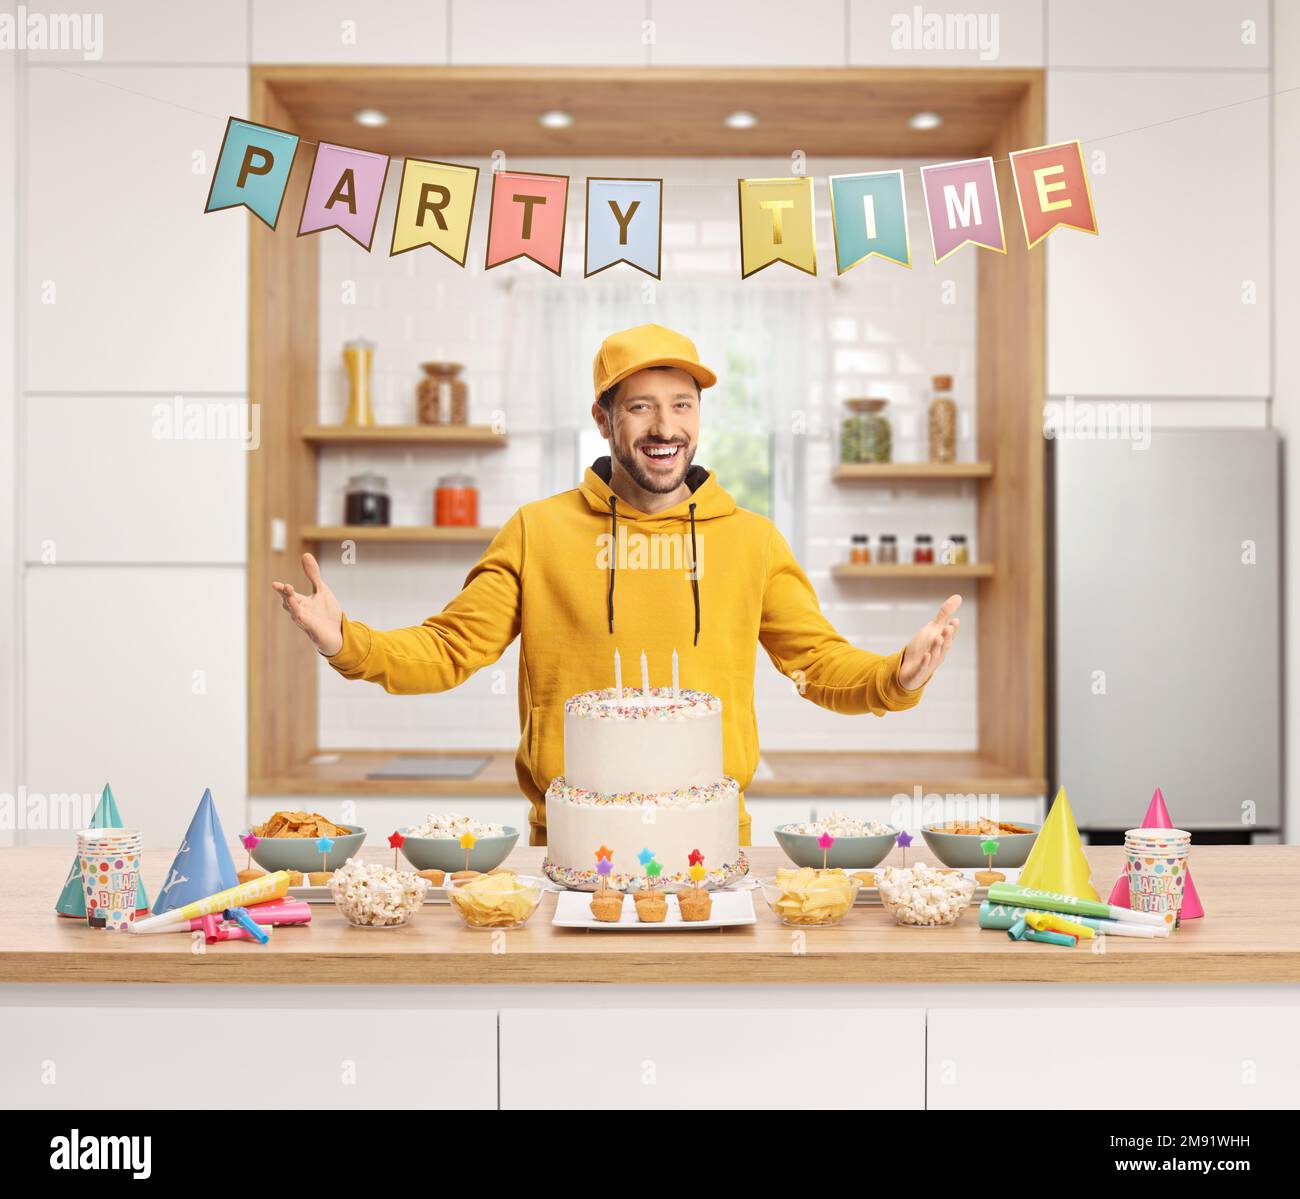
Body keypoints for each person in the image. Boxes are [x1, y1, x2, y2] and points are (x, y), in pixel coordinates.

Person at [274, 323, 961, 846]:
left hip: (713, 843)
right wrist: (348, 643)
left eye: (683, 406)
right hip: (570, 846)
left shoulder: (750, 540)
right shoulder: (536, 531)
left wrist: (894, 677)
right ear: (603, 419)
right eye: (641, 407)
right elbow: (451, 648)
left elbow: (816, 663)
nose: (666, 428)